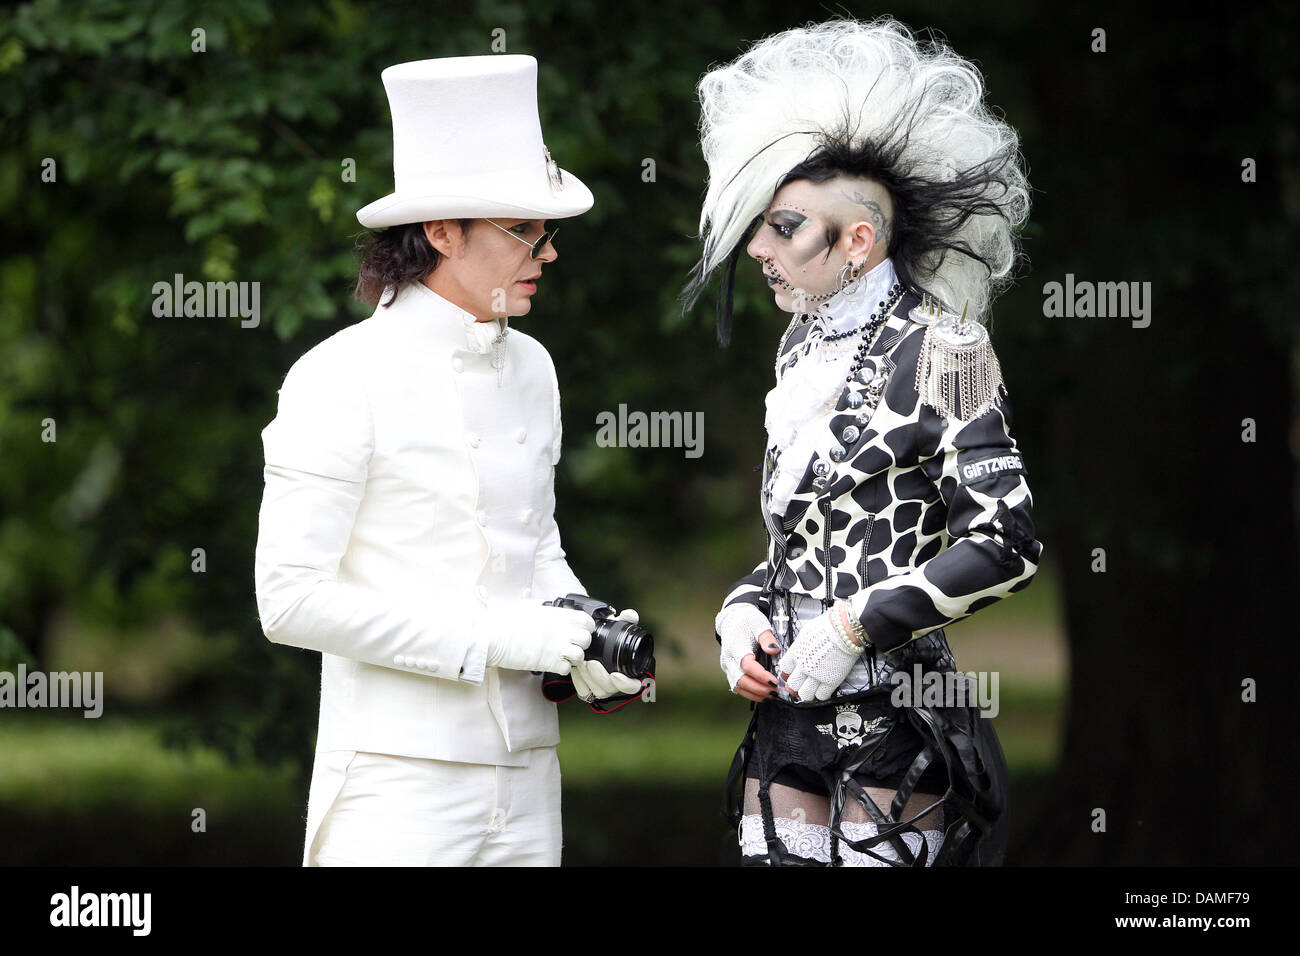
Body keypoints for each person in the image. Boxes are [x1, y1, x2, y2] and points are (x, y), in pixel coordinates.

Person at [254, 54, 644, 868]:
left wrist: (584, 631)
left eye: (548, 231)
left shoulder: (534, 366)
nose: (546, 251)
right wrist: (500, 638)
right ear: (440, 232)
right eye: (523, 231)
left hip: (530, 772)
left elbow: (533, 542)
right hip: (398, 780)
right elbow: (288, 600)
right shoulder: (338, 374)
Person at [683, 18, 1044, 866]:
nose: (759, 250)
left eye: (783, 227)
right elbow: (805, 546)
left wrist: (853, 625)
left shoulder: (948, 348)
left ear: (857, 241)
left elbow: (1007, 542)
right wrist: (742, 612)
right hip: (786, 720)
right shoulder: (800, 347)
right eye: (760, 226)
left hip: (898, 713)